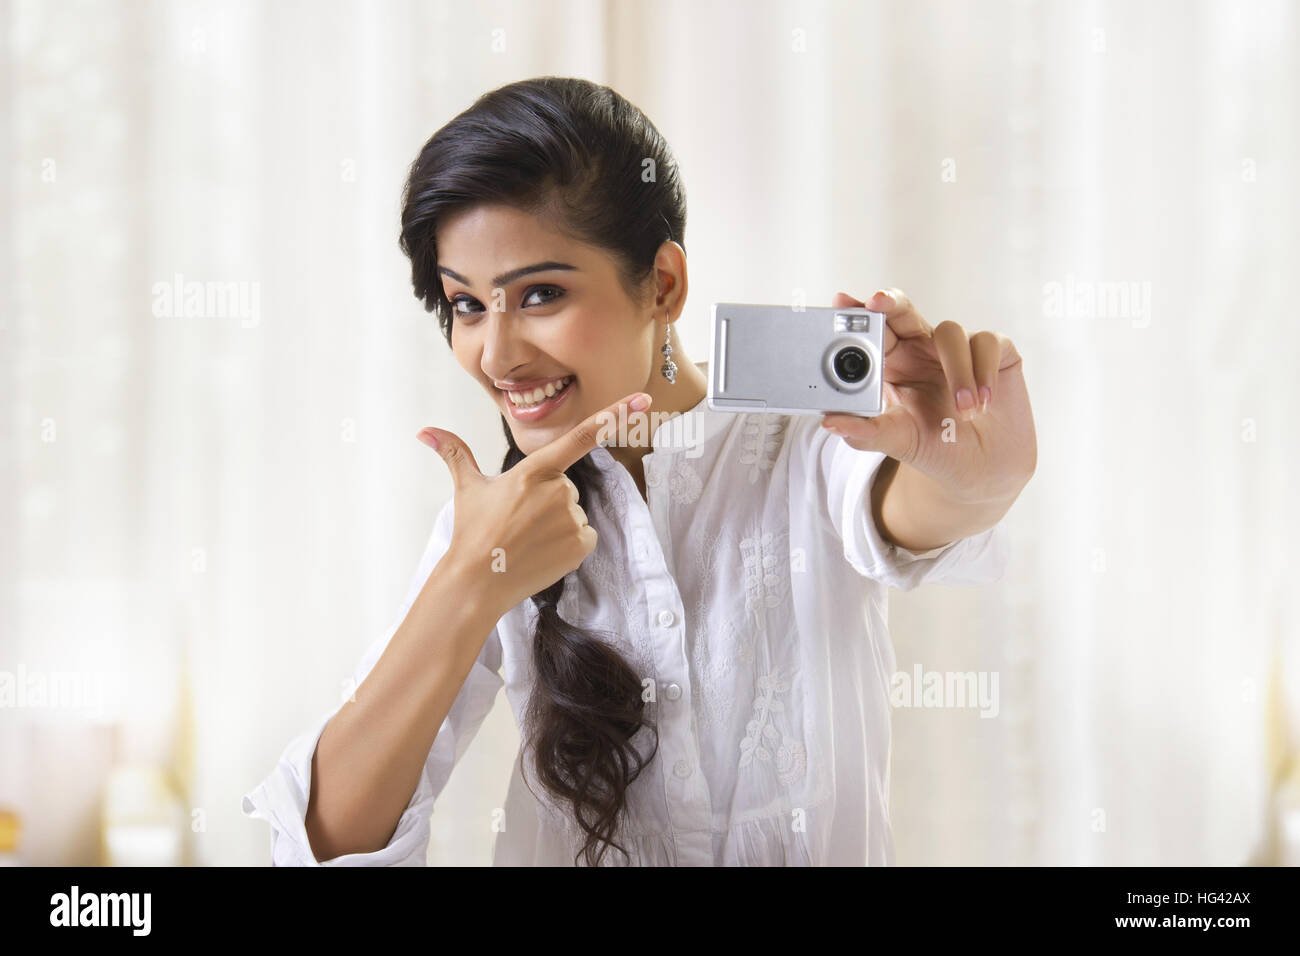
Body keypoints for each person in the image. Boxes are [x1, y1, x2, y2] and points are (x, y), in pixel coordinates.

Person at [241, 76, 1037, 866]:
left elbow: (923, 507)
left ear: (662, 284)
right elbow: (325, 841)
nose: (496, 353)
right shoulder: (496, 525)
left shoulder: (810, 449)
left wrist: (979, 471)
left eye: (541, 293)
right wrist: (468, 584)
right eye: (468, 305)